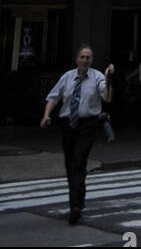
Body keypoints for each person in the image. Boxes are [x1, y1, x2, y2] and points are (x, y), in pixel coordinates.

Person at [41, 45, 114, 224]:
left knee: (79, 161)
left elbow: (107, 98)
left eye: (88, 57)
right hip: (68, 124)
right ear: (77, 59)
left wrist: (108, 78)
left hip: (88, 123)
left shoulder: (97, 77)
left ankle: (75, 206)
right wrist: (46, 115)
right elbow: (54, 97)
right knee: (69, 163)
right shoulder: (67, 76)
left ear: (92, 60)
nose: (85, 60)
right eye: (82, 57)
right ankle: (77, 200)